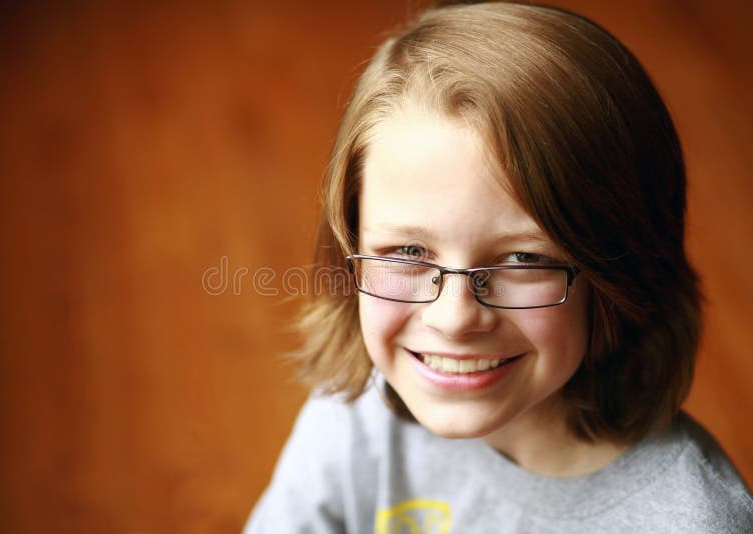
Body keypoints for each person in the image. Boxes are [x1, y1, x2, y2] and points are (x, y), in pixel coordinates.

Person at [245, 2, 753, 532]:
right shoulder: (360, 416)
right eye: (409, 253)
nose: (455, 319)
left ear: (621, 274)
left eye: (523, 259)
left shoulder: (693, 521)